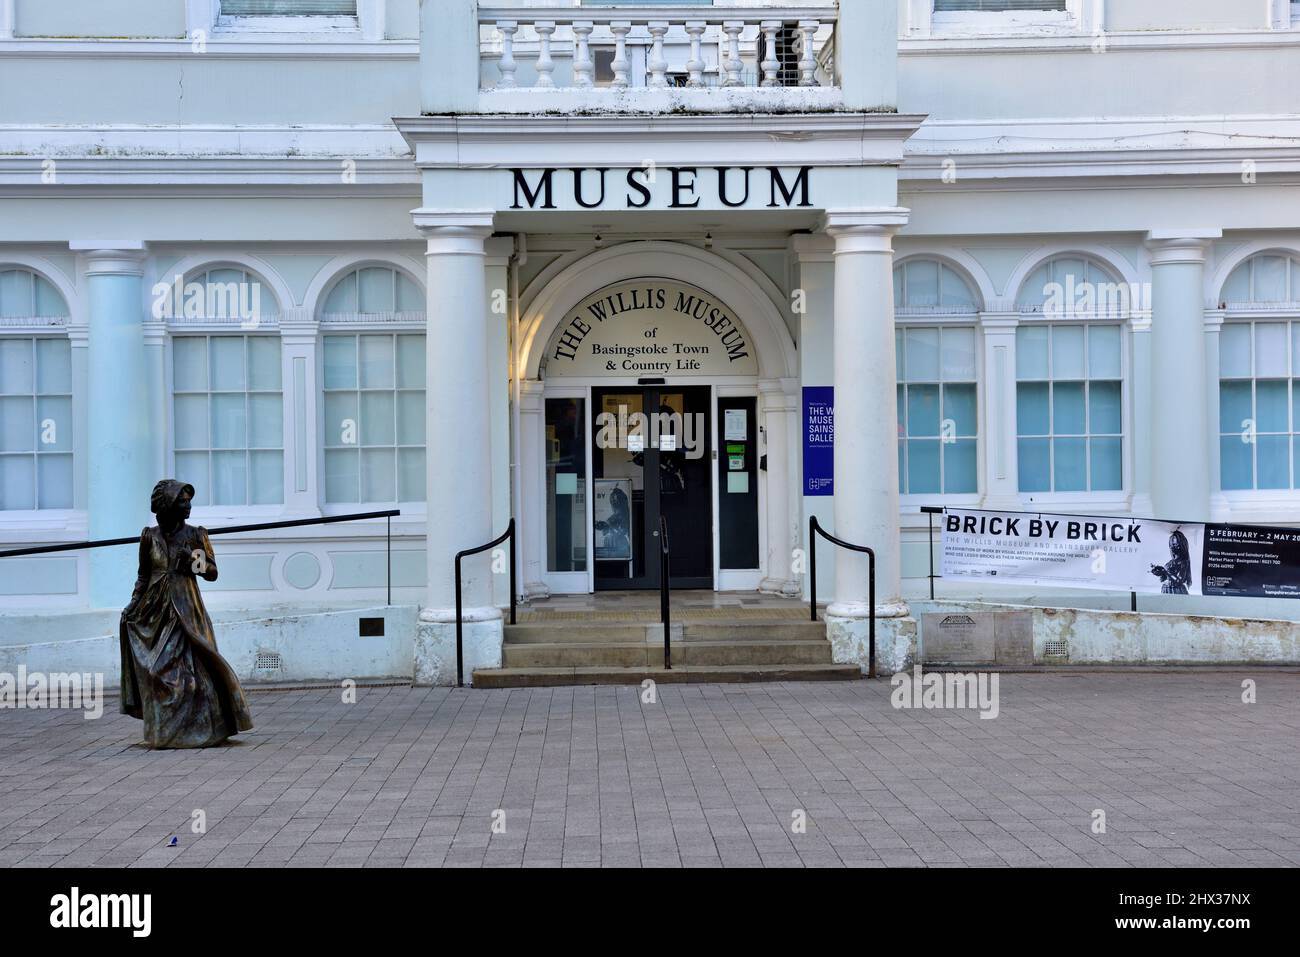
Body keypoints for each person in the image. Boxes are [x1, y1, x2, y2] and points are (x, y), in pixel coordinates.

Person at [119, 479, 253, 749]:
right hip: (155, 613)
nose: (188, 506)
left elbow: (212, 572)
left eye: (189, 501)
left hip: (186, 609)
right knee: (157, 670)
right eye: (182, 501)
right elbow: (143, 576)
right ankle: (165, 731)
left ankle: (202, 729)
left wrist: (193, 560)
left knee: (194, 675)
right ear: (167, 505)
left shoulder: (196, 535)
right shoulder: (149, 537)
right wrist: (132, 605)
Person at [1149, 529, 1192, 595]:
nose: (1172, 546)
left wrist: (1165, 571)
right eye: (1172, 544)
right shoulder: (1170, 562)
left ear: (1182, 545)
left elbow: (1179, 581)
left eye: (1175, 544)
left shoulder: (1184, 562)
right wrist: (1159, 572)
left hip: (1176, 591)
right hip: (1166, 589)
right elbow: (1163, 579)